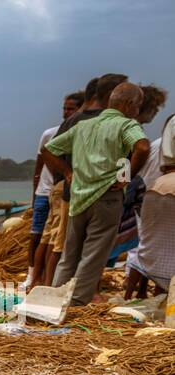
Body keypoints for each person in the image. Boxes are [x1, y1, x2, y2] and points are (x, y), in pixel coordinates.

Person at [44, 82, 151, 305]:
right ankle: (75, 305)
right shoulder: (126, 124)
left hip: (78, 197)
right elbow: (142, 147)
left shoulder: (84, 125)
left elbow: (49, 149)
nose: (138, 111)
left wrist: (67, 172)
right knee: (93, 255)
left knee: (69, 254)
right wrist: (125, 176)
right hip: (106, 197)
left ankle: (54, 302)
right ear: (128, 104)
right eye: (138, 106)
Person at [43, 75, 127, 286]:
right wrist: (66, 174)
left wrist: (65, 175)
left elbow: (51, 152)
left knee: (67, 248)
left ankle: (55, 289)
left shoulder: (77, 120)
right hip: (89, 196)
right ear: (112, 95)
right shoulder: (110, 123)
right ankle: (63, 291)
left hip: (74, 193)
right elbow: (51, 152)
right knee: (76, 248)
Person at [28, 90, 83, 288]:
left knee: (48, 236)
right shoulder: (53, 133)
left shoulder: (72, 131)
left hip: (56, 190)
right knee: (46, 237)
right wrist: (64, 175)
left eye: (71, 108)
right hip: (53, 191)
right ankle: (37, 279)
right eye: (65, 108)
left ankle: (40, 280)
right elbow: (42, 161)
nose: (66, 112)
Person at [125, 113, 175, 298]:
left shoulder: (156, 143)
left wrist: (124, 181)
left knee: (148, 244)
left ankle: (131, 294)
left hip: (152, 190)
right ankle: (162, 293)